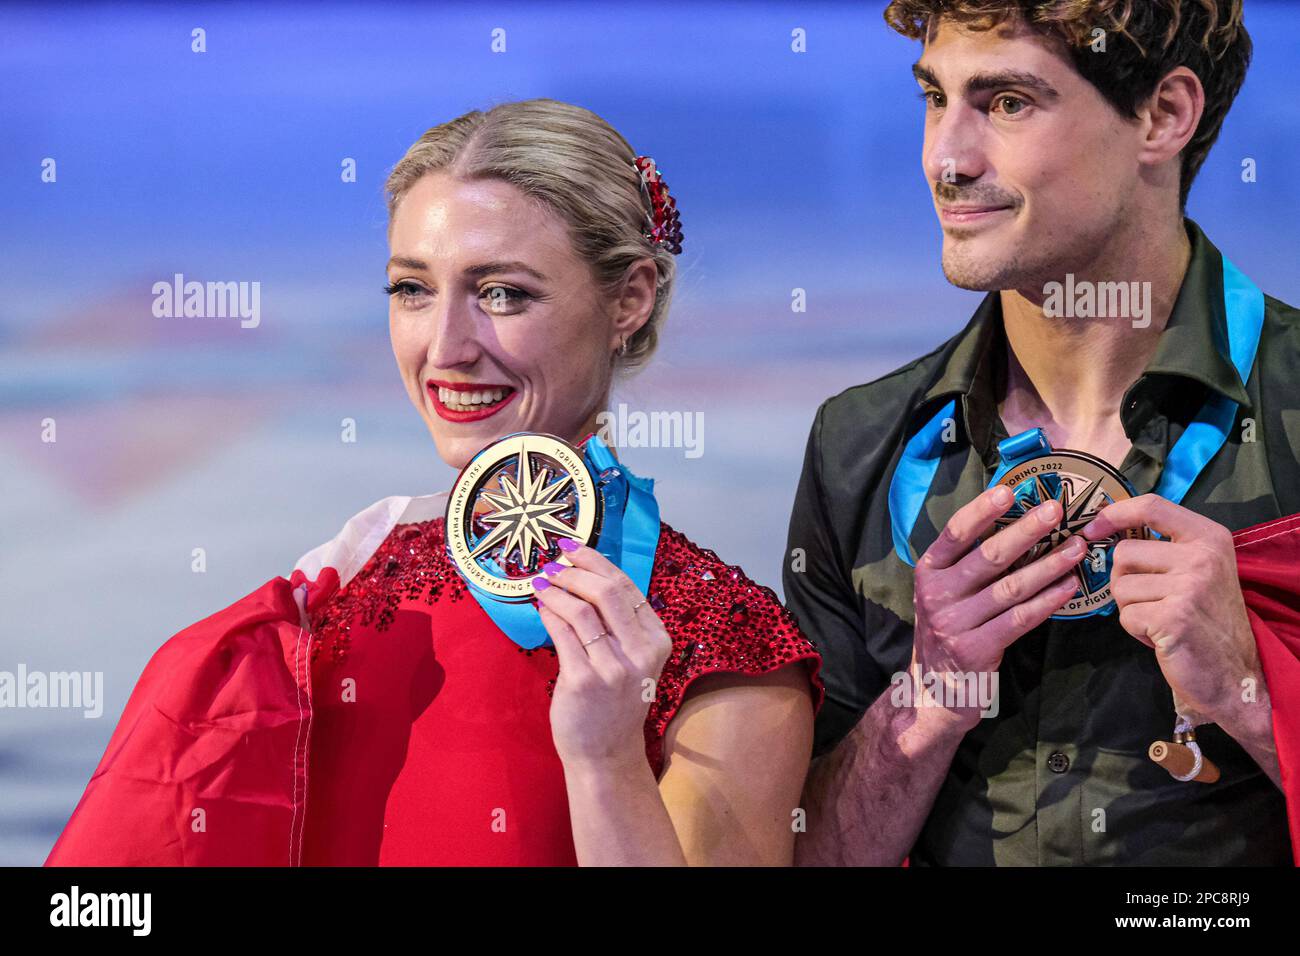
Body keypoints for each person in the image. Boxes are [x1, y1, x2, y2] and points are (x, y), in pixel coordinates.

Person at [46, 98, 823, 867]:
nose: (446, 347)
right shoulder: (334, 600)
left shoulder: (728, 652)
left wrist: (604, 764)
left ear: (630, 298)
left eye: (504, 293)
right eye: (412, 289)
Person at [786, 0, 1300, 865]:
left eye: (1007, 103)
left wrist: (1252, 693)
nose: (946, 158)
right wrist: (929, 700)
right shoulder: (859, 443)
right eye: (934, 98)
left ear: (1163, 117)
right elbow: (807, 856)